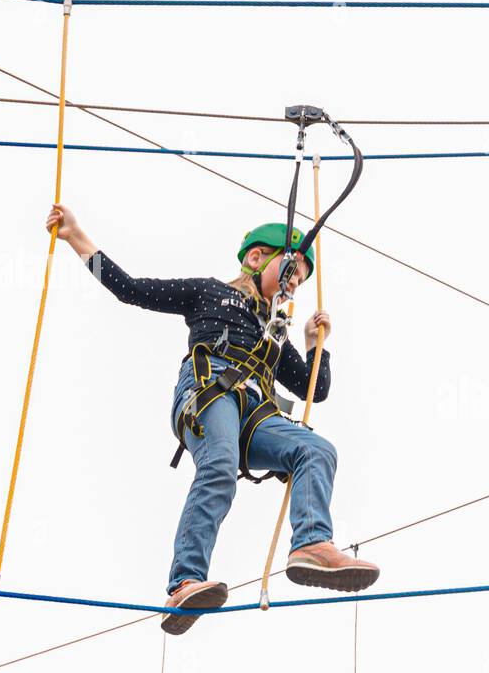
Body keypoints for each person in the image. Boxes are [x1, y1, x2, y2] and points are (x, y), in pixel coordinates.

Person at [45, 204, 381, 635]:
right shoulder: (209, 293)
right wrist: (77, 238)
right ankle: (185, 580)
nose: (295, 284)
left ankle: (312, 543)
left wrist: (315, 344)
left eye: (299, 281)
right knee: (219, 468)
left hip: (254, 415)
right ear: (256, 259)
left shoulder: (272, 330)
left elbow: (316, 389)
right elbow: (131, 289)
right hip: (209, 393)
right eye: (291, 270)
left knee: (316, 449)